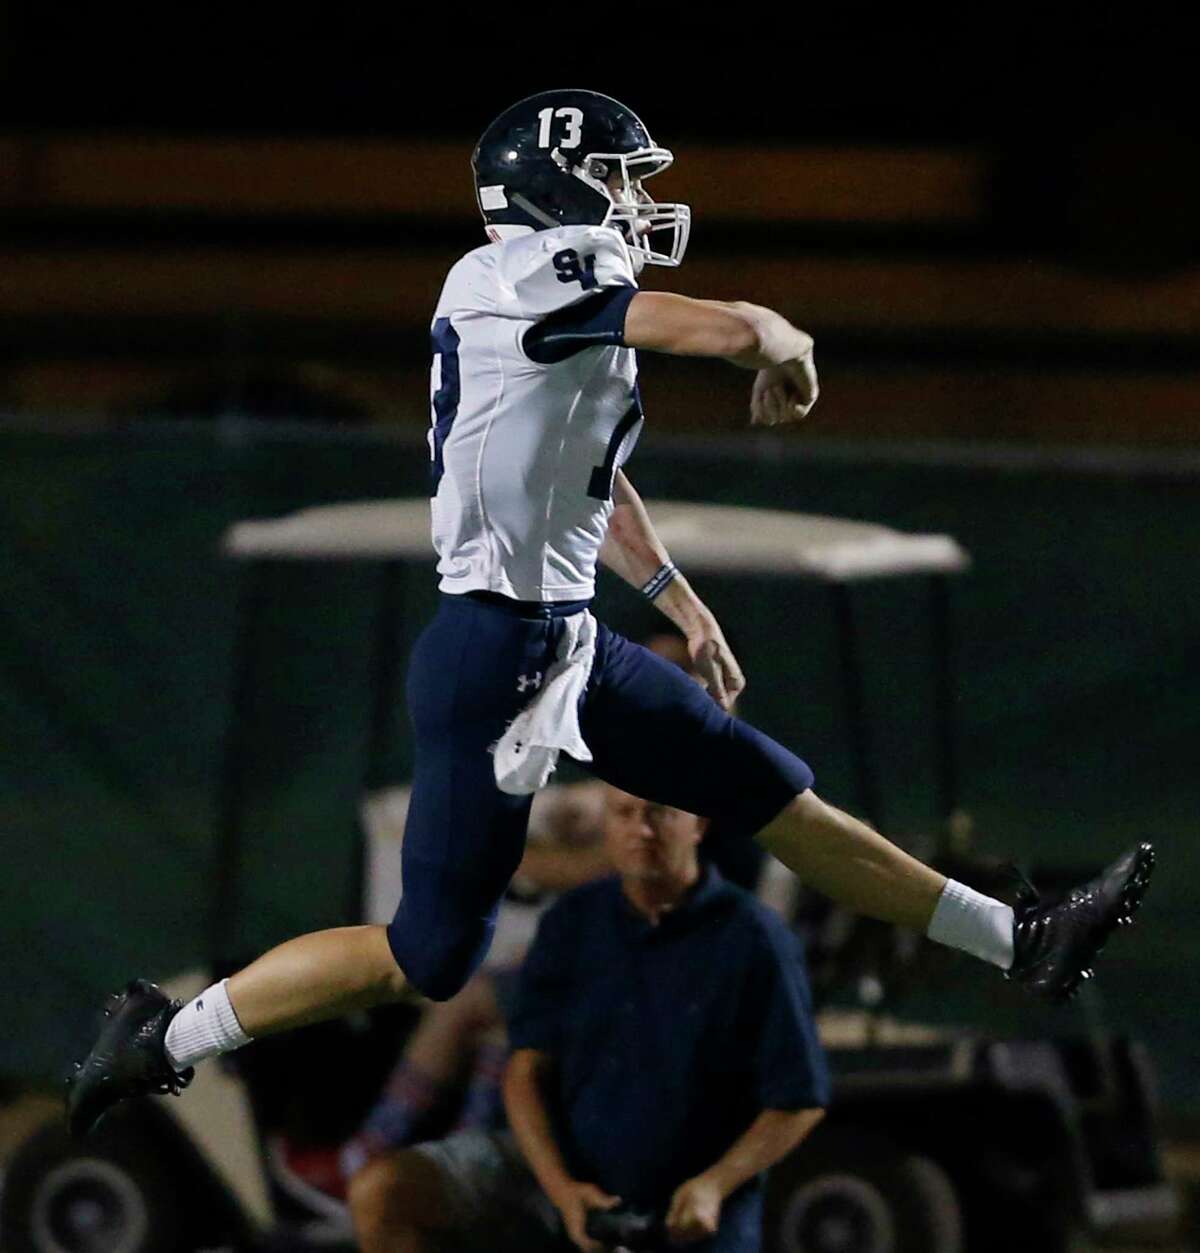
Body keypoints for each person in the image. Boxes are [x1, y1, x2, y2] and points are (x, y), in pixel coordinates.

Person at [67, 88, 1154, 1138]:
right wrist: (775, 329)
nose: (635, 202)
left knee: (773, 794)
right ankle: (166, 1035)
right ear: (553, 187)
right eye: (615, 178)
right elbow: (709, 331)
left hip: (563, 641)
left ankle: (1020, 939)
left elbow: (589, 475)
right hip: (494, 654)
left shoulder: (543, 292)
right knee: (428, 955)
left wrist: (677, 595)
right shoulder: (530, 268)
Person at [347, 786, 829, 1253]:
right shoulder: (571, 924)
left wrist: (714, 1184)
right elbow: (524, 1072)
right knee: (386, 1190)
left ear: (698, 824)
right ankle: (359, 1155)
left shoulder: (755, 938)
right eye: (623, 814)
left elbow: (799, 1099)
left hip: (686, 1204)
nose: (640, 830)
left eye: (659, 814)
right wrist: (563, 1191)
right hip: (563, 1181)